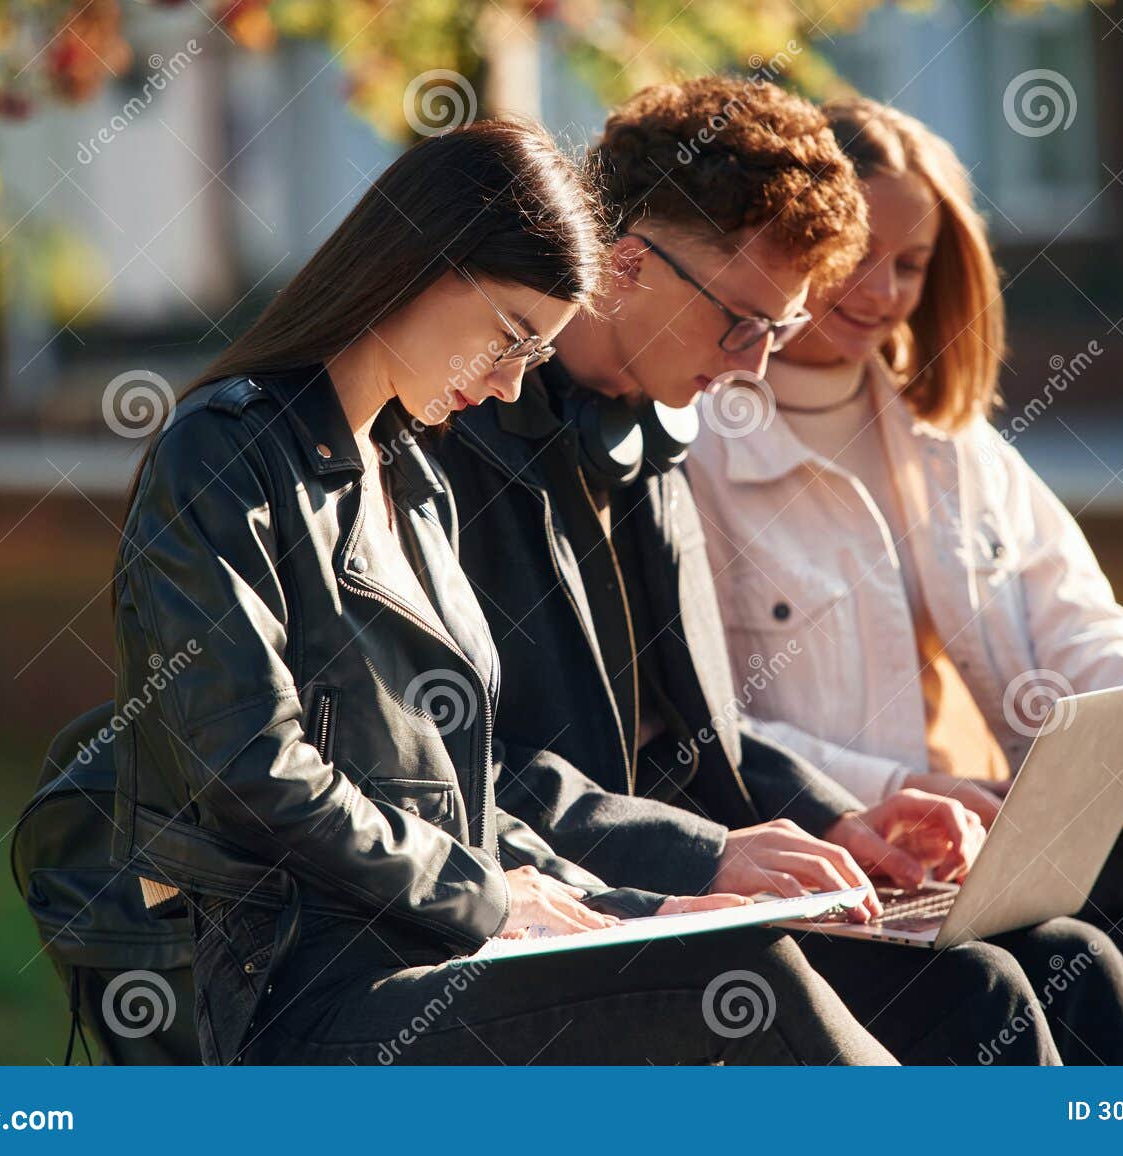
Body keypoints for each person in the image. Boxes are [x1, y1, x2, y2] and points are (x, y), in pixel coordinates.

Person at [110, 119, 895, 1066]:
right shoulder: (226, 454)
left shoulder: (413, 478)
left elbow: (466, 800)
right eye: (512, 336)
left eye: (537, 352)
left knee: (732, 950)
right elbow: (253, 772)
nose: (511, 380)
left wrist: (636, 907)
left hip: (444, 948)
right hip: (308, 989)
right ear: (420, 263)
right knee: (749, 984)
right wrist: (491, 899)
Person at [433, 78, 1123, 1066]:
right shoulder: (457, 434)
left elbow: (700, 741)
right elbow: (454, 771)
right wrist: (709, 854)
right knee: (978, 999)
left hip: (682, 880)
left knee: (1080, 961)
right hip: (579, 915)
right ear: (627, 265)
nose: (755, 368)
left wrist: (843, 819)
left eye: (778, 332)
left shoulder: (653, 433)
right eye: (743, 324)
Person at [685, 95, 1123, 1064]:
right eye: (853, 255)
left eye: (911, 266)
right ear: (789, 242)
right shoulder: (698, 449)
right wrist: (899, 788)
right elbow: (699, 721)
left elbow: (1074, 614)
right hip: (842, 862)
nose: (881, 291)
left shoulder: (951, 438)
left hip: (979, 851)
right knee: (1071, 974)